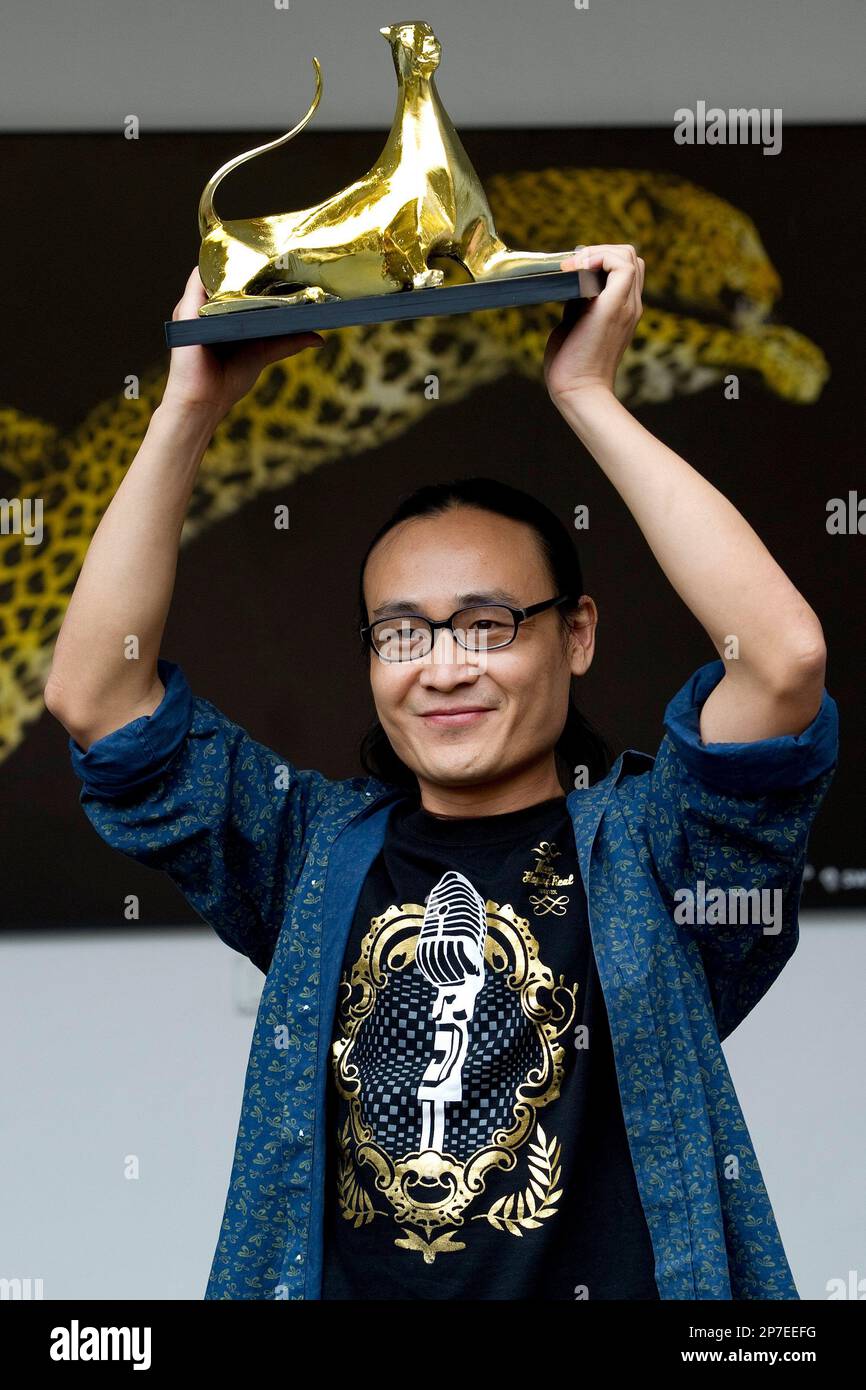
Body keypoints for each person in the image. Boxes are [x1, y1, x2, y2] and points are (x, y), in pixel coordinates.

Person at [45, 247, 839, 1300]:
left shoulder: (655, 850)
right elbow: (98, 698)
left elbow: (778, 663)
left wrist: (585, 393)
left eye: (487, 623)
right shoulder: (308, 850)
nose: (444, 668)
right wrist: (188, 405)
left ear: (577, 635)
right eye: (401, 634)